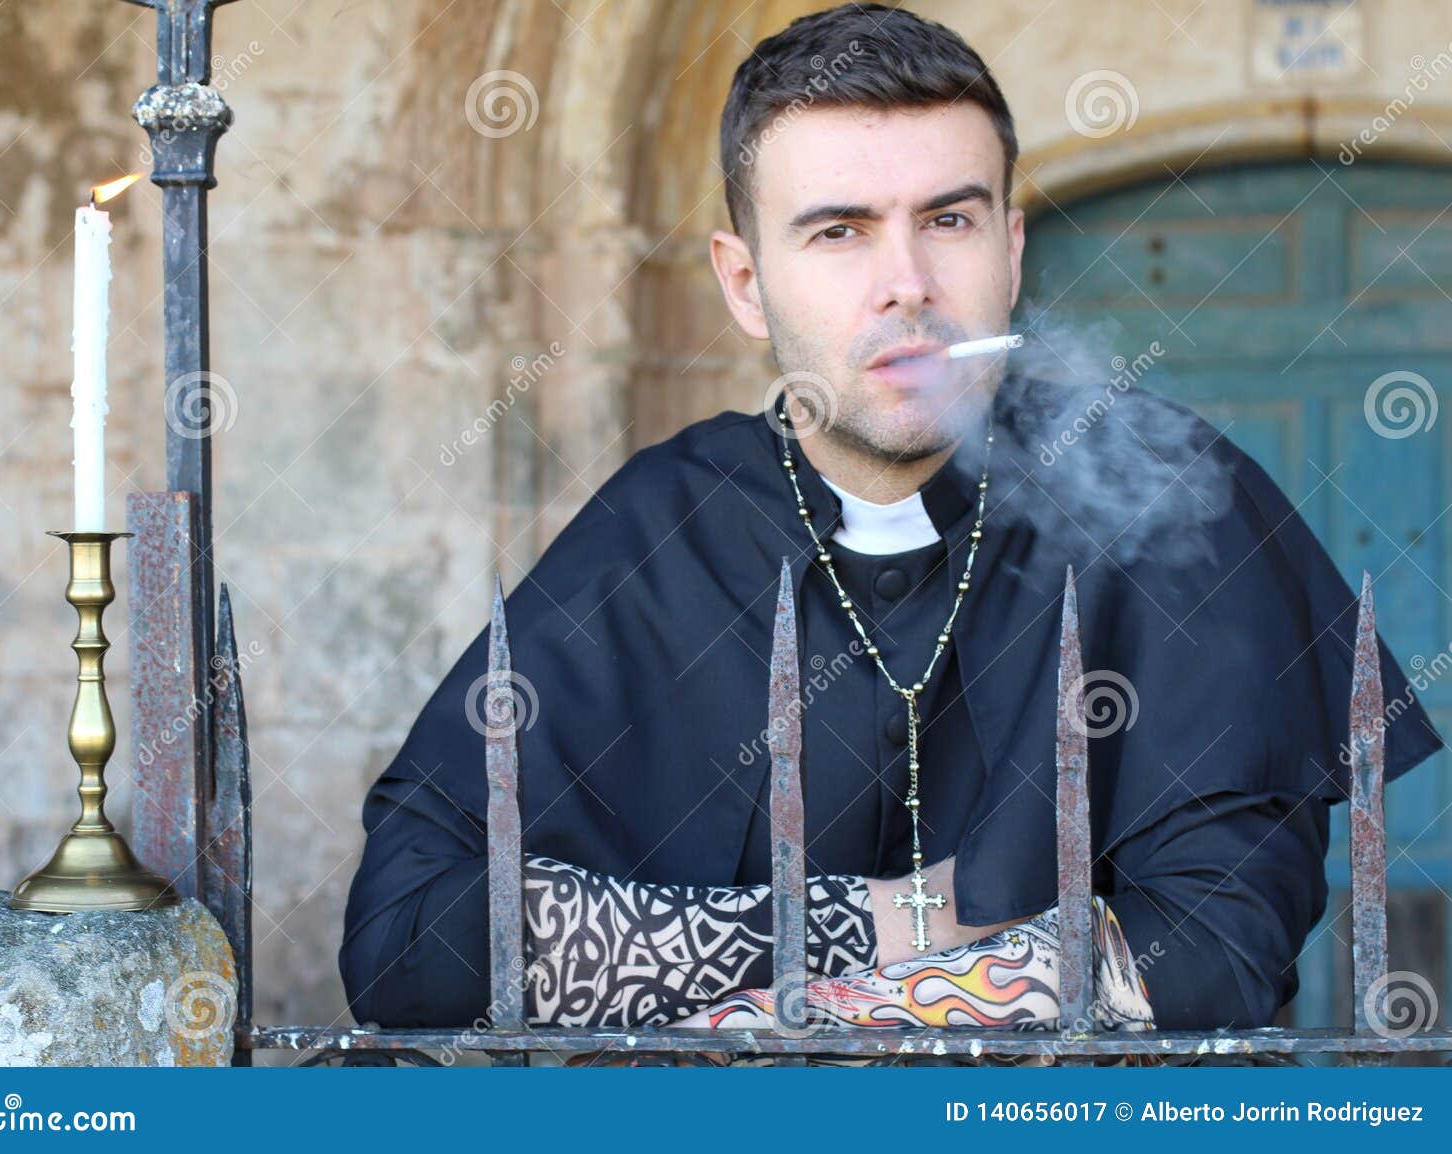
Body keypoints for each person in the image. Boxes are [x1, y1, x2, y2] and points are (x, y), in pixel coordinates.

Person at [338, 4, 1442, 1047]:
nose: (905, 284)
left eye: (948, 220)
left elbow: (1210, 949)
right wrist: (886, 919)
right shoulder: (660, 524)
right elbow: (411, 937)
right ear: (744, 281)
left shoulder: (1166, 493)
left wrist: (740, 1024)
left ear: (1009, 250)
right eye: (838, 232)